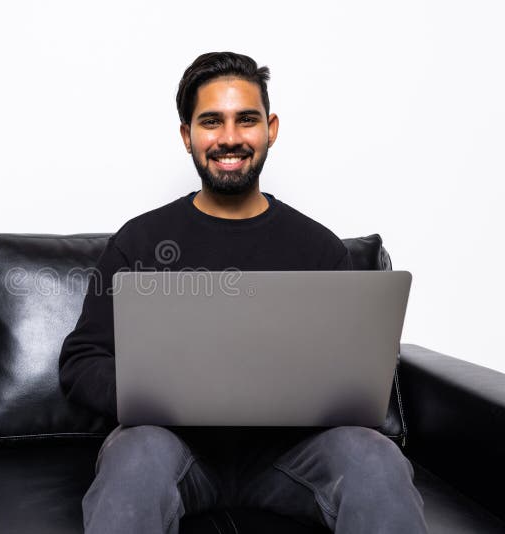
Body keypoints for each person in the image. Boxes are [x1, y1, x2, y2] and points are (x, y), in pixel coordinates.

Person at [58, 52, 428, 534]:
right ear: (186, 134)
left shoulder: (318, 248)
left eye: (246, 120)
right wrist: (156, 396)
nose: (229, 138)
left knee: (375, 458)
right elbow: (81, 360)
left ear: (270, 128)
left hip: (292, 458)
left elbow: (355, 376)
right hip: (173, 450)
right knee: (135, 454)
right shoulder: (140, 242)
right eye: (211, 121)